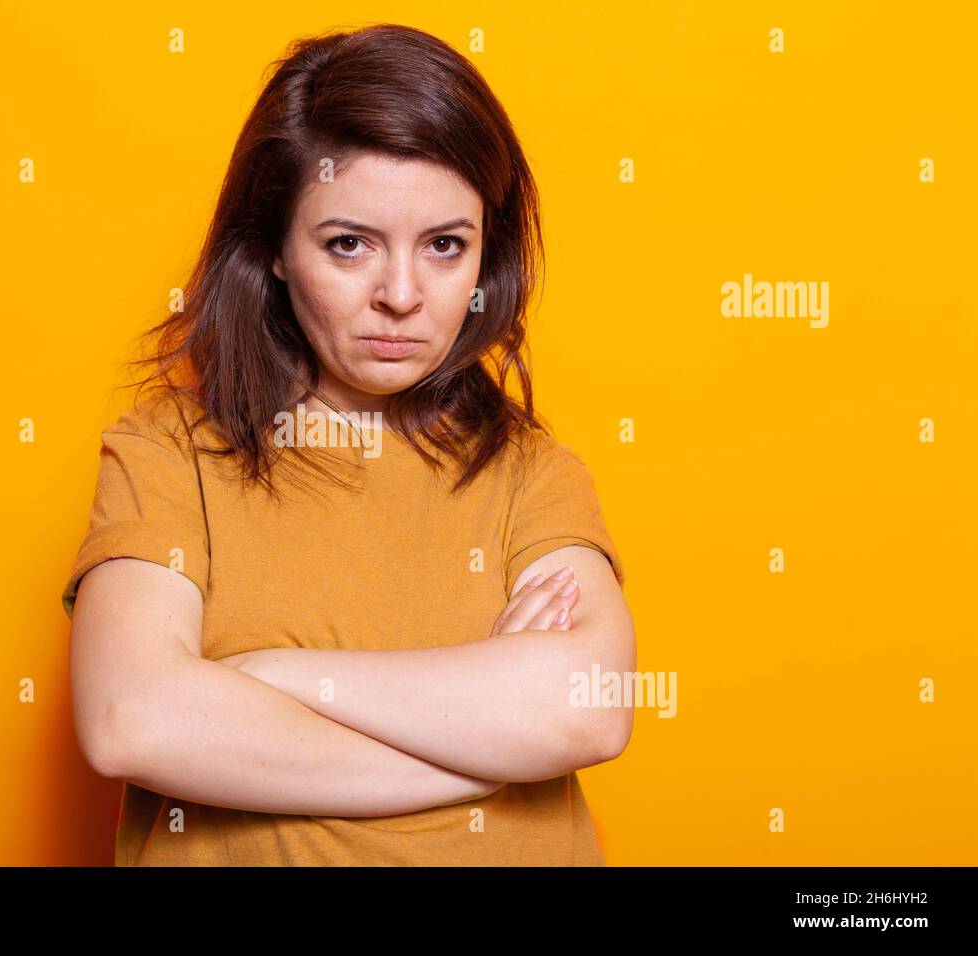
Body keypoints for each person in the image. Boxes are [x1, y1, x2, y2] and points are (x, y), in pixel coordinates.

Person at [61, 22, 636, 866]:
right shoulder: (166, 453)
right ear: (276, 250)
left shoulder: (530, 474)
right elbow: (132, 720)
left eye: (445, 245)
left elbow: (589, 705)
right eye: (349, 244)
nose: (401, 295)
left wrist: (274, 676)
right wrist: (477, 758)